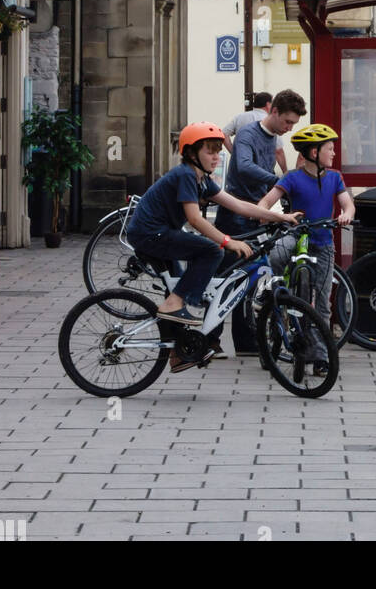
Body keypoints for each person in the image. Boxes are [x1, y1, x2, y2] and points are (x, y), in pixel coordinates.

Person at [124, 122, 296, 372]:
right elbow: (195, 219)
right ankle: (178, 303)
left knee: (177, 286)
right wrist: (228, 241)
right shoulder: (185, 174)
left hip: (159, 234)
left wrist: (281, 217)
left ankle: (178, 353)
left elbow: (238, 205)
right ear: (192, 153)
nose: (216, 157)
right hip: (150, 234)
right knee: (211, 250)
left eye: (218, 151)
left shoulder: (202, 179)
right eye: (210, 151)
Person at [256, 123, 354, 377]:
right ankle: (271, 294)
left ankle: (321, 357)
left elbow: (347, 204)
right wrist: (269, 215)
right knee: (276, 254)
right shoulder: (293, 178)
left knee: (322, 306)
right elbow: (266, 202)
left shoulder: (335, 177)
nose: (333, 153)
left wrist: (346, 215)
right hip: (296, 235)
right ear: (313, 153)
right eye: (329, 149)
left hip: (322, 243)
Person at [215, 88, 306, 353]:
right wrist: (278, 180)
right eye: (288, 121)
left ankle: (245, 342)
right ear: (274, 111)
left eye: (293, 124)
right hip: (236, 213)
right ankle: (212, 340)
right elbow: (243, 166)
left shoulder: (272, 136)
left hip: (255, 211)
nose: (289, 129)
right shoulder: (248, 134)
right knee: (227, 278)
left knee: (251, 279)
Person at [221, 93, 286, 170]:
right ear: (268, 104)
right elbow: (278, 151)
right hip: (262, 170)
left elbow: (224, 134)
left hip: (240, 168)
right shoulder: (270, 121)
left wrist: (234, 153)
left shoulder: (240, 117)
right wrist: (285, 172)